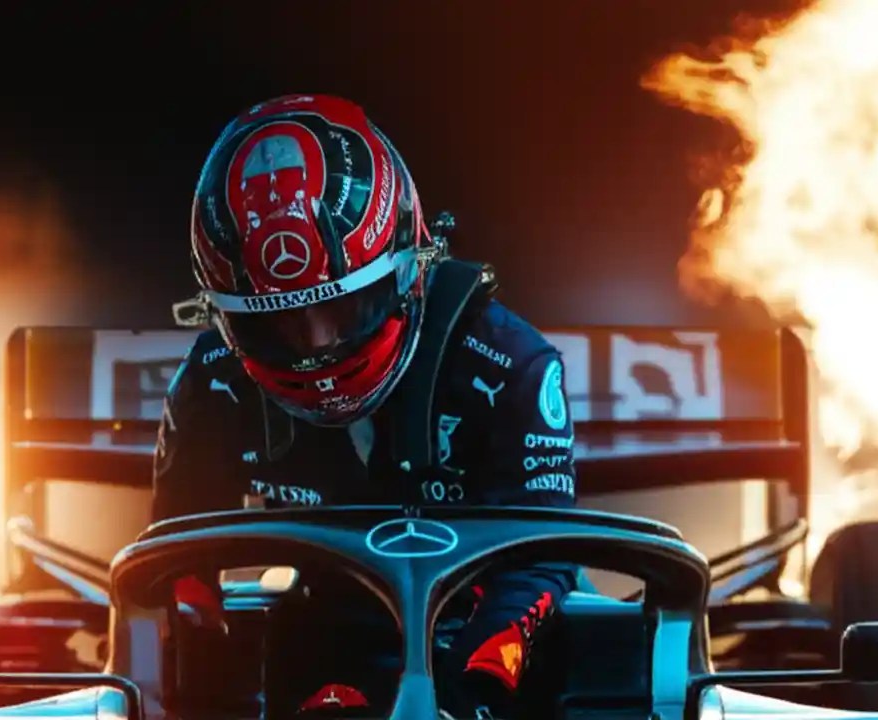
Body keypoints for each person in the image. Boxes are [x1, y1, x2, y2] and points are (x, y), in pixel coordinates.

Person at [152, 94, 578, 718]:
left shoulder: (511, 365)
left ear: (411, 264)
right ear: (225, 318)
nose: (317, 348)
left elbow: (541, 555)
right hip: (321, 634)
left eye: (341, 310)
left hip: (491, 631)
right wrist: (201, 668)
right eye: (282, 327)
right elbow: (173, 563)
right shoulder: (211, 385)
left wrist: (475, 692)